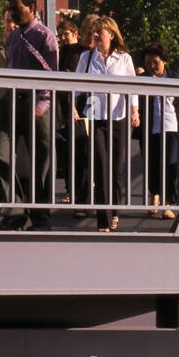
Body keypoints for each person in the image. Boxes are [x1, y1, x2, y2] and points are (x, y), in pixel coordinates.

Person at [0, 0, 59, 231]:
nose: (12, 12)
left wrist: (42, 105)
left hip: (36, 103)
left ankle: (41, 219)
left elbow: (52, 73)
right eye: (11, 8)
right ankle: (16, 210)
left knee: (42, 162)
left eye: (17, 8)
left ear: (31, 8)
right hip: (12, 101)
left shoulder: (45, 36)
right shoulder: (11, 38)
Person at [92, 16, 139, 232]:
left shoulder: (124, 59)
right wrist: (74, 107)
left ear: (111, 34)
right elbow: (75, 86)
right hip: (95, 117)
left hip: (118, 117)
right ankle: (103, 219)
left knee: (117, 168)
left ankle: (116, 210)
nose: (95, 36)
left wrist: (134, 110)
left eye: (99, 33)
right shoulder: (87, 57)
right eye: (94, 33)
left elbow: (132, 87)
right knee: (101, 168)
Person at [71, 15, 107, 213]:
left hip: (99, 106)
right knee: (84, 156)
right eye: (88, 33)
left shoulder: (103, 54)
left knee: (98, 156)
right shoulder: (79, 55)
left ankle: (99, 200)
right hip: (86, 106)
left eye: (95, 34)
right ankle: (83, 199)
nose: (91, 38)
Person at [142, 42, 179, 220]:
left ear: (164, 61)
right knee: (152, 164)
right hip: (150, 128)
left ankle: (168, 204)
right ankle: (154, 195)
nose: (152, 66)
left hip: (171, 127)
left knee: (171, 165)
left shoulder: (175, 79)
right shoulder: (143, 79)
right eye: (148, 62)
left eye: (155, 62)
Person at [55, 17, 82, 203]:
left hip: (76, 107)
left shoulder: (80, 53)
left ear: (75, 34)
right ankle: (70, 189)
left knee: (77, 150)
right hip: (61, 108)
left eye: (66, 34)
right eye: (60, 35)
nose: (63, 38)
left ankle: (78, 190)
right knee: (66, 152)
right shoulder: (60, 52)